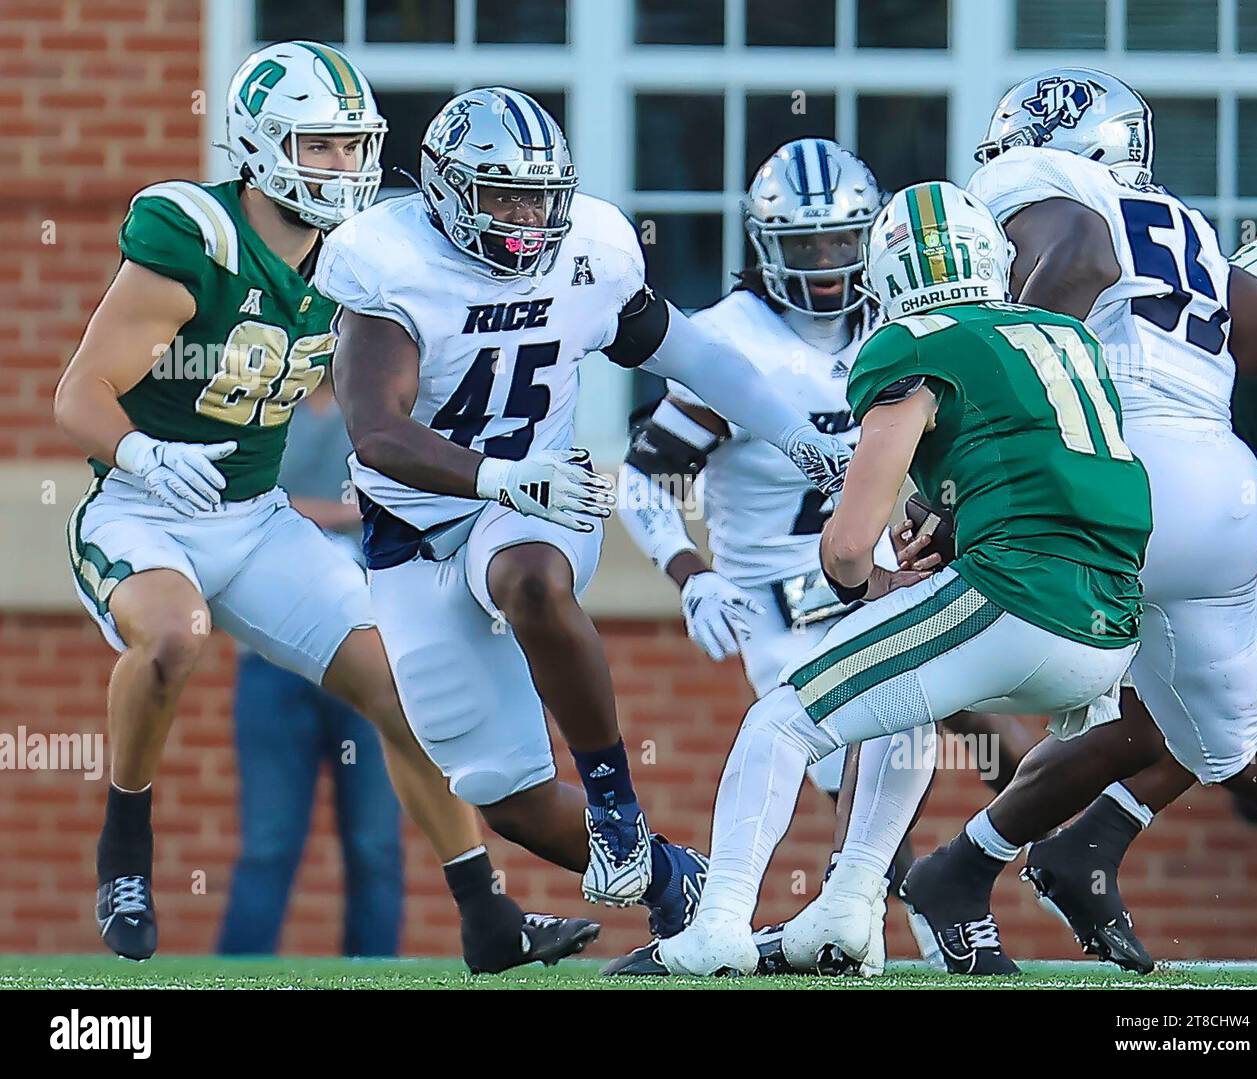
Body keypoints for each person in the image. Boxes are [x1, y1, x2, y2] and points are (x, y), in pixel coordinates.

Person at [54, 42, 594, 973]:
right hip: (143, 508)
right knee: (175, 635)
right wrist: (143, 448)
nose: (344, 168)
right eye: (321, 146)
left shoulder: (366, 255)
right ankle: (126, 854)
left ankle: (486, 913)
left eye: (354, 148)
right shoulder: (199, 237)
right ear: (262, 146)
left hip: (259, 521)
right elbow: (77, 392)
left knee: (404, 688)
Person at [315, 88, 854, 936]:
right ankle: (677, 881)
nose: (529, 216)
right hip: (415, 529)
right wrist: (500, 477)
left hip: (548, 495)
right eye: (504, 196)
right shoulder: (390, 261)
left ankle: (614, 805)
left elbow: (689, 352)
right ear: (446, 192)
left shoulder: (591, 248)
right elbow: (377, 432)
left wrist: (793, 433)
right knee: (506, 796)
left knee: (528, 575)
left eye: (542, 195)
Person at [653, 181, 1152, 977]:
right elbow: (1054, 467)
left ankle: (718, 925)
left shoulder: (910, 342)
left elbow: (851, 544)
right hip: (1110, 618)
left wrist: (862, 582)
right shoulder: (1064, 334)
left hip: (1017, 595)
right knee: (901, 704)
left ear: (883, 276)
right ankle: (849, 908)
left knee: (781, 719)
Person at [901, 68, 1257, 975]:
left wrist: (984, 435)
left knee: (905, 647)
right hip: (1217, 508)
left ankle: (822, 897)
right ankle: (978, 867)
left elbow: (1079, 258)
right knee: (1238, 741)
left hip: (1110, 481)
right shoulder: (1191, 229)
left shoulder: (1045, 193)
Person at [613, 138, 944, 970]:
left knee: (997, 732)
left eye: (842, 242)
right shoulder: (733, 343)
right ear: (766, 247)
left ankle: (936, 901)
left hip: (890, 583)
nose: (828, 264)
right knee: (855, 774)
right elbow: (644, 481)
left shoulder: (899, 326)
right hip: (780, 606)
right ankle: (890, 927)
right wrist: (693, 575)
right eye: (807, 245)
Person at [218, 382, 404, 957]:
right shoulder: (259, 411)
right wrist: (347, 514)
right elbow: (231, 509)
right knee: (266, 845)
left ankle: (371, 974)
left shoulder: (383, 407)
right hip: (272, 668)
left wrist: (292, 511)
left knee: (375, 845)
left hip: (371, 663)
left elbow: (409, 507)